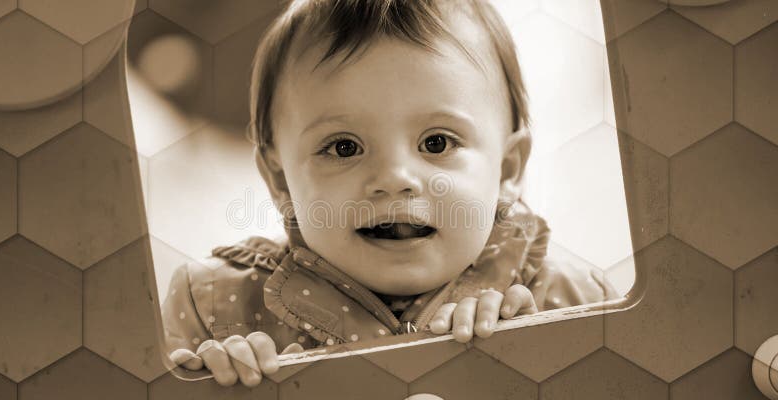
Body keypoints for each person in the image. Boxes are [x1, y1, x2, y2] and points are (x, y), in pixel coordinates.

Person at [161, 0, 619, 388]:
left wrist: (540, 370)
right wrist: (220, 388)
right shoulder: (217, 308)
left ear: (507, 168)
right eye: (344, 147)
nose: (395, 178)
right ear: (280, 181)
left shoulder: (569, 302)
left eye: (435, 143)